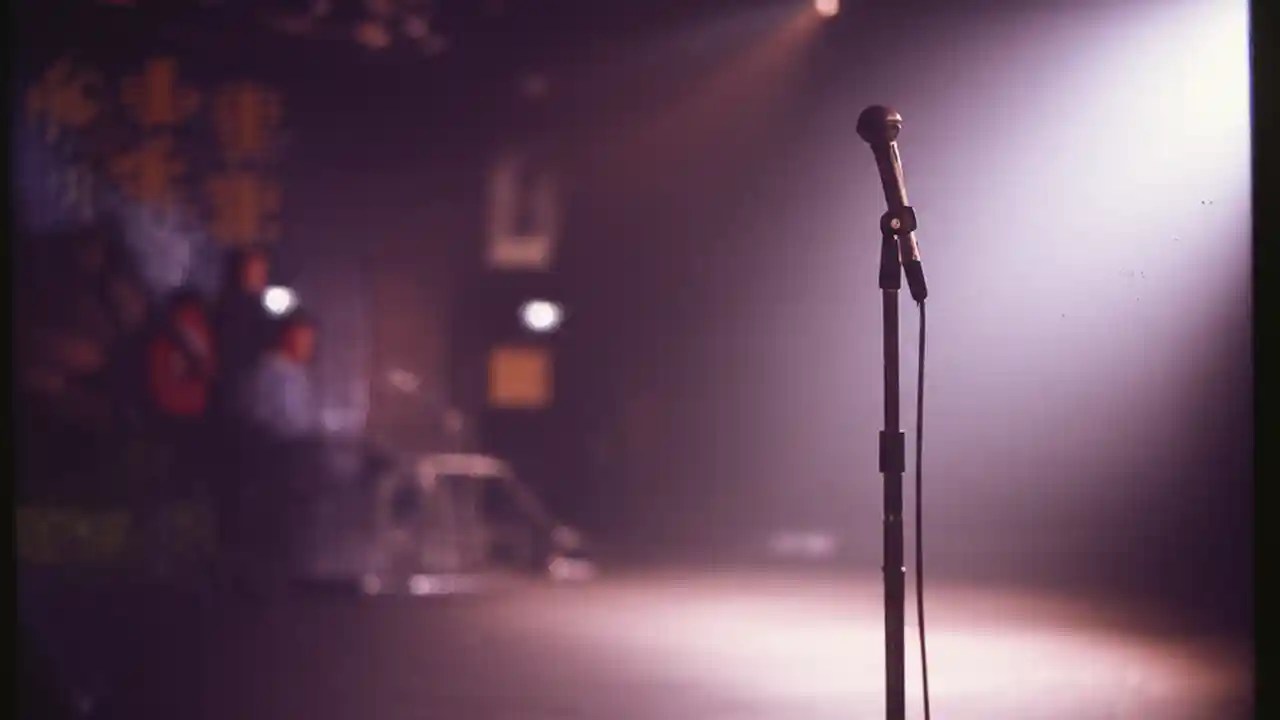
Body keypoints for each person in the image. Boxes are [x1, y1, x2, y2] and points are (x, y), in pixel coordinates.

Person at [237, 312, 323, 595]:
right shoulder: (267, 372)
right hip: (275, 459)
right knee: (276, 525)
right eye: (304, 337)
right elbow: (261, 416)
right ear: (288, 336)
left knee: (295, 523)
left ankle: (292, 577)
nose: (309, 345)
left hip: (296, 456)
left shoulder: (298, 373)